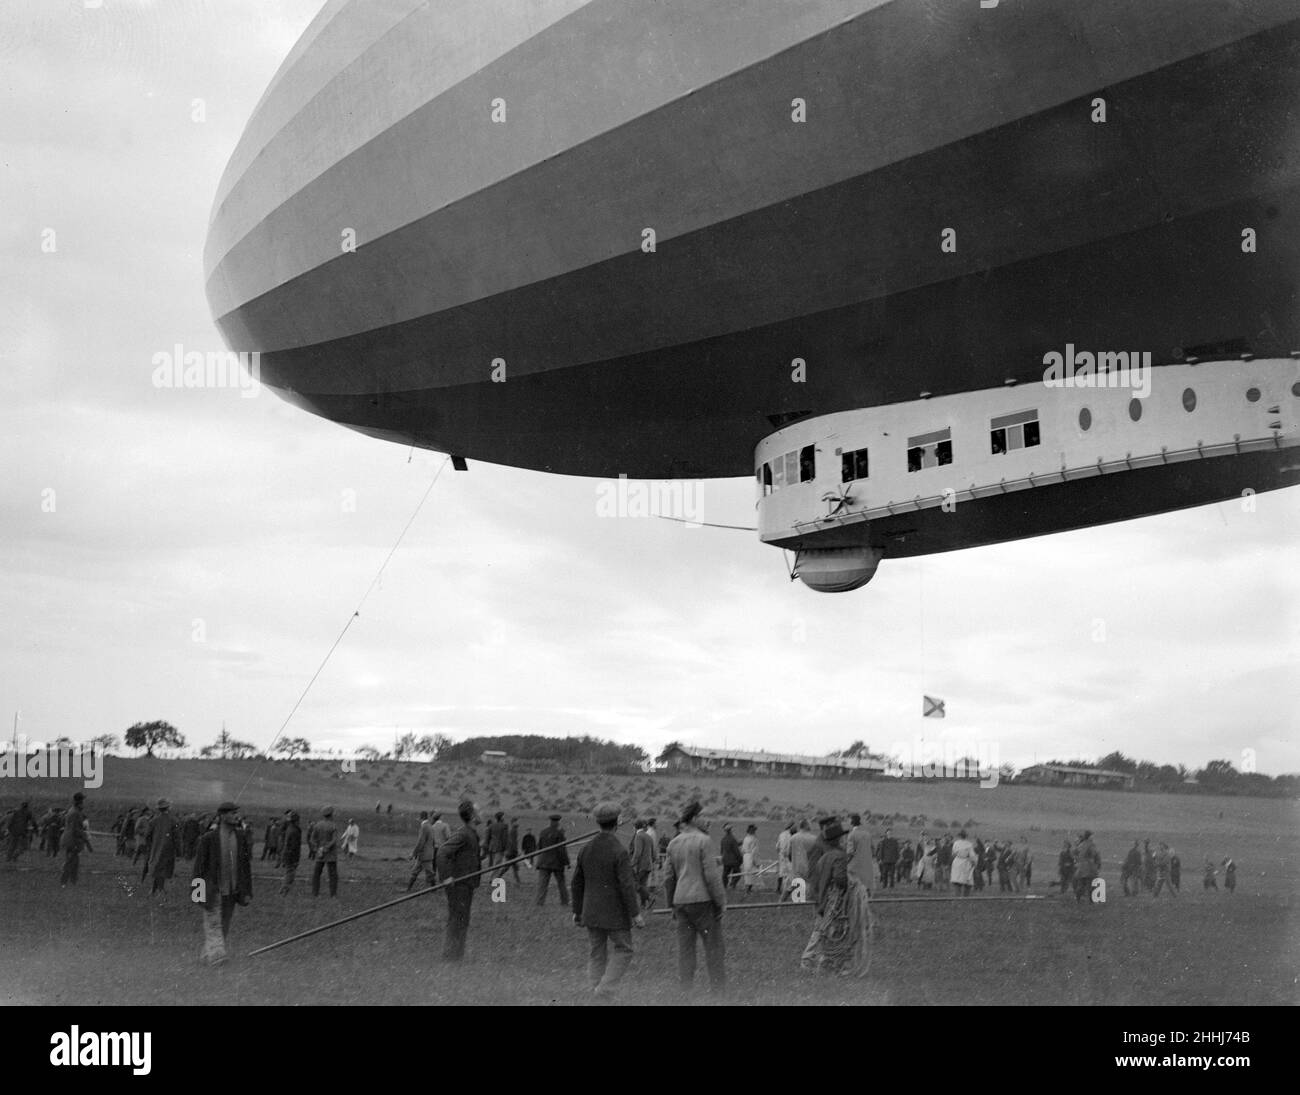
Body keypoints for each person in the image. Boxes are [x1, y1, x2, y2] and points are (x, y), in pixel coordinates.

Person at [572, 801, 645, 1000]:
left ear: (598, 823)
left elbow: (577, 883)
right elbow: (626, 885)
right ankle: (604, 990)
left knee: (597, 952)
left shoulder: (586, 849)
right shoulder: (619, 851)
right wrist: (636, 914)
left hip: (591, 912)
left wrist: (577, 911)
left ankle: (595, 990)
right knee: (624, 949)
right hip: (614, 914)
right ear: (617, 823)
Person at [663, 801, 726, 995]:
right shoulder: (704, 841)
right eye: (703, 816)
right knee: (714, 948)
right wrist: (721, 902)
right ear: (695, 818)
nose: (706, 821)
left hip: (681, 902)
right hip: (703, 901)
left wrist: (671, 905)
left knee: (686, 950)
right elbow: (711, 876)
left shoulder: (674, 843)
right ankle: (718, 992)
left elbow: (668, 877)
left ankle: (685, 991)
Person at [800, 820, 872, 977]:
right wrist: (850, 885)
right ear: (838, 840)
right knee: (835, 932)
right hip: (834, 902)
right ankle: (827, 962)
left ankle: (818, 960)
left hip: (822, 898)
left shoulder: (825, 857)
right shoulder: (839, 856)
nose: (845, 840)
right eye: (842, 838)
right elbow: (840, 879)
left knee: (822, 929)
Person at [192, 801, 252, 965]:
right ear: (222, 816)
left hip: (233, 891)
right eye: (232, 813)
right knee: (213, 924)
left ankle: (207, 955)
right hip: (214, 890)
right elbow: (199, 868)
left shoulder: (240, 837)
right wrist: (197, 894)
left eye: (236, 813)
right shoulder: (209, 839)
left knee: (224, 924)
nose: (236, 816)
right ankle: (218, 957)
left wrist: (246, 892)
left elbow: (245, 866)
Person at [435, 800, 481, 962]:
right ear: (472, 816)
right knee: (457, 919)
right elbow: (442, 852)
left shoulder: (472, 833)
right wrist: (446, 877)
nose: (481, 813)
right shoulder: (463, 833)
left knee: (462, 920)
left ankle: (456, 957)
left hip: (466, 884)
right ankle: (450, 957)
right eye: (479, 811)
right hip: (458, 885)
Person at [144, 798, 180, 902]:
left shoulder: (153, 821)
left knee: (157, 869)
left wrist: (151, 846)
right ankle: (161, 892)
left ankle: (154, 891)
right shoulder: (174, 821)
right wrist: (179, 852)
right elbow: (177, 838)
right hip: (169, 849)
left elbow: (147, 836)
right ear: (168, 808)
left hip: (156, 849)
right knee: (163, 871)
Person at [534, 813, 570, 906]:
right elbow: (562, 850)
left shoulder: (543, 832)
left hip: (544, 863)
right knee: (561, 883)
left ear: (550, 822)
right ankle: (565, 902)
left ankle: (539, 902)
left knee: (542, 884)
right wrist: (567, 862)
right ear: (558, 822)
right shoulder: (559, 833)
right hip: (556, 863)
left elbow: (539, 847)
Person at [59, 791, 92, 886]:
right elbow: (75, 829)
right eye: (83, 801)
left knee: (74, 862)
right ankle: (64, 882)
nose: (84, 803)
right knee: (70, 862)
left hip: (72, 839)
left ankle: (73, 881)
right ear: (79, 802)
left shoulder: (74, 811)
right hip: (72, 840)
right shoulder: (75, 813)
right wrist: (84, 836)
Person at [311, 806, 339, 898]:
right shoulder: (333, 825)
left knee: (316, 874)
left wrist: (317, 848)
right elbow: (334, 840)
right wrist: (327, 847)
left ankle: (315, 893)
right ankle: (333, 894)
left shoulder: (317, 825)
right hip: (330, 854)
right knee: (333, 875)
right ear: (331, 814)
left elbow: (312, 839)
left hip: (320, 853)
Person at [629, 819, 656, 910]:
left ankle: (650, 897)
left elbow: (637, 853)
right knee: (643, 885)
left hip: (641, 866)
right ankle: (643, 905)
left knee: (635, 884)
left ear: (635, 827)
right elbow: (654, 853)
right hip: (649, 865)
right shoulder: (648, 836)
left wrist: (631, 864)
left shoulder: (638, 836)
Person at [409, 811, 438, 891]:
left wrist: (413, 854)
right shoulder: (430, 826)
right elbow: (433, 841)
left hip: (423, 855)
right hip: (429, 854)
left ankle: (408, 889)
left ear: (421, 818)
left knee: (418, 871)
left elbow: (420, 842)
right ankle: (433, 888)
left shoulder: (424, 827)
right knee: (427, 872)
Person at [847, 815, 874, 894]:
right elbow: (873, 849)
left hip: (855, 867)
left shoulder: (851, 835)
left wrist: (846, 862)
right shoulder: (867, 834)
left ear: (852, 823)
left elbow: (850, 852)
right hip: (867, 865)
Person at [1074, 831, 1101, 903]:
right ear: (1089, 836)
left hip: (1081, 867)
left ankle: (1078, 899)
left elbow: (1075, 853)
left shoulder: (1081, 844)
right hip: (1089, 867)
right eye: (1092, 836)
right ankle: (1091, 900)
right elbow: (1094, 854)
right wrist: (1097, 863)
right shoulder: (1091, 845)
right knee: (1091, 884)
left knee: (1081, 884)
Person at [789, 819, 816, 892]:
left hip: (796, 868)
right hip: (808, 869)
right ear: (807, 826)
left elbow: (789, 855)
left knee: (796, 894)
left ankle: (781, 902)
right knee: (807, 894)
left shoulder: (793, 838)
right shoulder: (813, 839)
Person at [279, 811, 302, 894]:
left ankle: (284, 888)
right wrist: (295, 858)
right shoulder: (295, 831)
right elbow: (294, 846)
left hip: (287, 854)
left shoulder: (290, 828)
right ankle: (284, 889)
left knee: (288, 872)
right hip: (291, 855)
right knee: (290, 873)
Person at [950, 829, 976, 896]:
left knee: (957, 881)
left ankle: (957, 896)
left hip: (957, 861)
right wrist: (974, 862)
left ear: (960, 836)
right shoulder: (969, 844)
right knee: (967, 881)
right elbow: (972, 855)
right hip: (965, 862)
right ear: (965, 836)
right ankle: (965, 896)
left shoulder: (956, 843)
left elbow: (953, 854)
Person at [775, 823, 794, 900]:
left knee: (781, 872)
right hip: (788, 856)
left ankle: (778, 888)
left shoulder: (781, 834)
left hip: (781, 855)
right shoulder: (791, 836)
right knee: (789, 874)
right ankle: (786, 890)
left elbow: (777, 847)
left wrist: (780, 853)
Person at [720, 825, 742, 890]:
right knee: (737, 873)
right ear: (731, 830)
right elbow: (736, 851)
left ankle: (724, 886)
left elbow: (721, 851)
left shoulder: (723, 839)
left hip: (725, 860)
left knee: (725, 874)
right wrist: (740, 859)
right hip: (733, 861)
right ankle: (732, 884)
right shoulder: (732, 839)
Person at [741, 824, 759, 893]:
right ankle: (748, 889)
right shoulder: (754, 839)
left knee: (747, 873)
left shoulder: (746, 838)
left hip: (745, 856)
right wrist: (756, 862)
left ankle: (747, 888)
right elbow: (754, 851)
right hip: (750, 856)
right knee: (751, 873)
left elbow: (742, 849)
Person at [502, 817, 521, 883]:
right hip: (511, 852)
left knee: (514, 867)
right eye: (516, 822)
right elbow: (513, 842)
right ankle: (496, 878)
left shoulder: (514, 830)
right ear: (513, 823)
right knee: (507, 867)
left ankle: (518, 881)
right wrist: (517, 850)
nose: (518, 823)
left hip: (511, 851)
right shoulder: (513, 830)